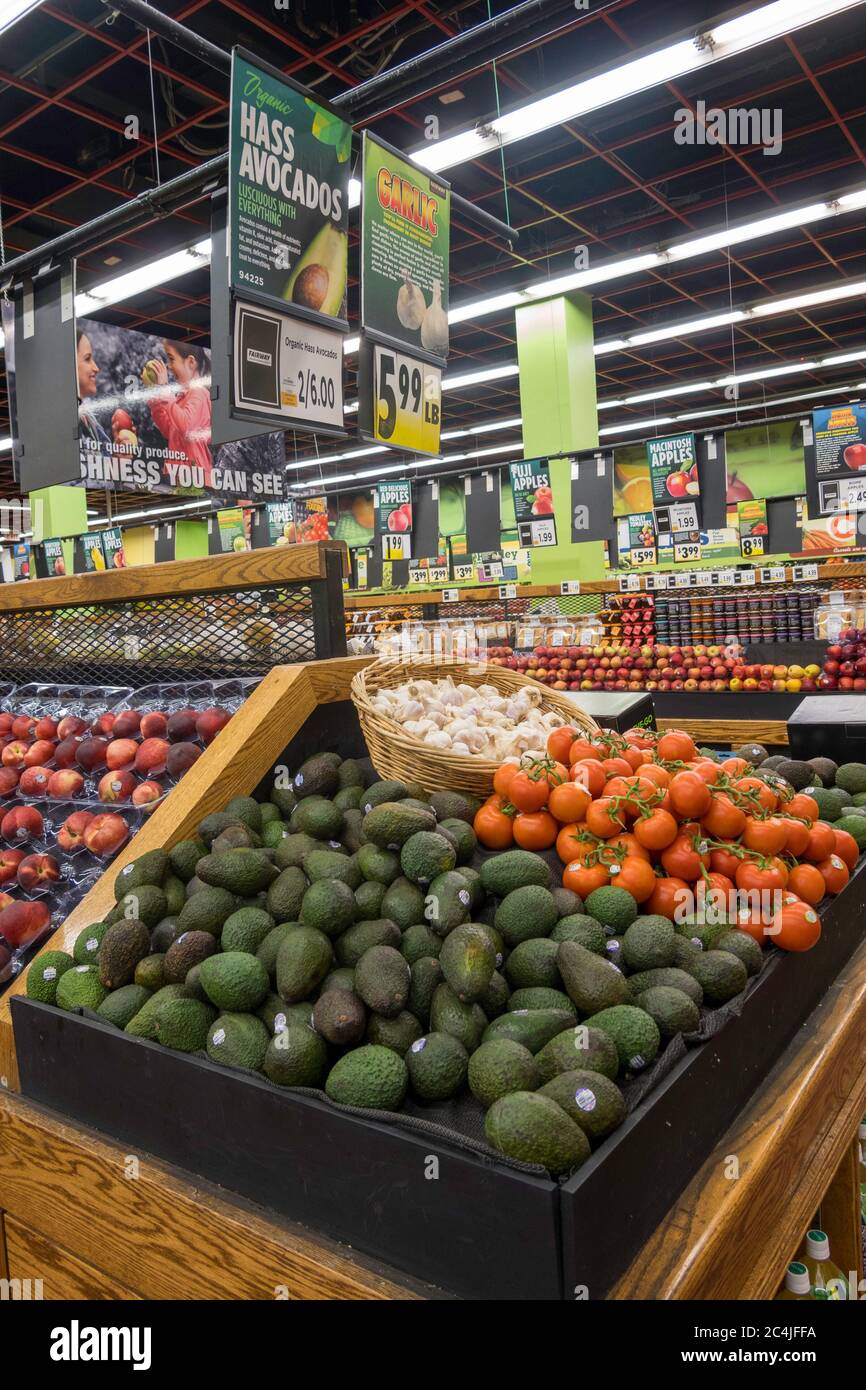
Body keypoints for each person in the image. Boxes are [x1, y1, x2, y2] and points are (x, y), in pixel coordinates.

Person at [147, 341, 213, 485]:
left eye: (171, 358)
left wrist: (165, 390)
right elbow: (168, 430)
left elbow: (186, 426)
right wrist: (157, 401)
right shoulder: (181, 397)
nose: (169, 366)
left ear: (190, 362)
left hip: (197, 477)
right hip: (182, 477)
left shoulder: (200, 393)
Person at [76, 330, 111, 447]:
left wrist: (118, 459)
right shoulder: (58, 419)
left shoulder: (89, 418)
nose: (96, 368)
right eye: (87, 359)